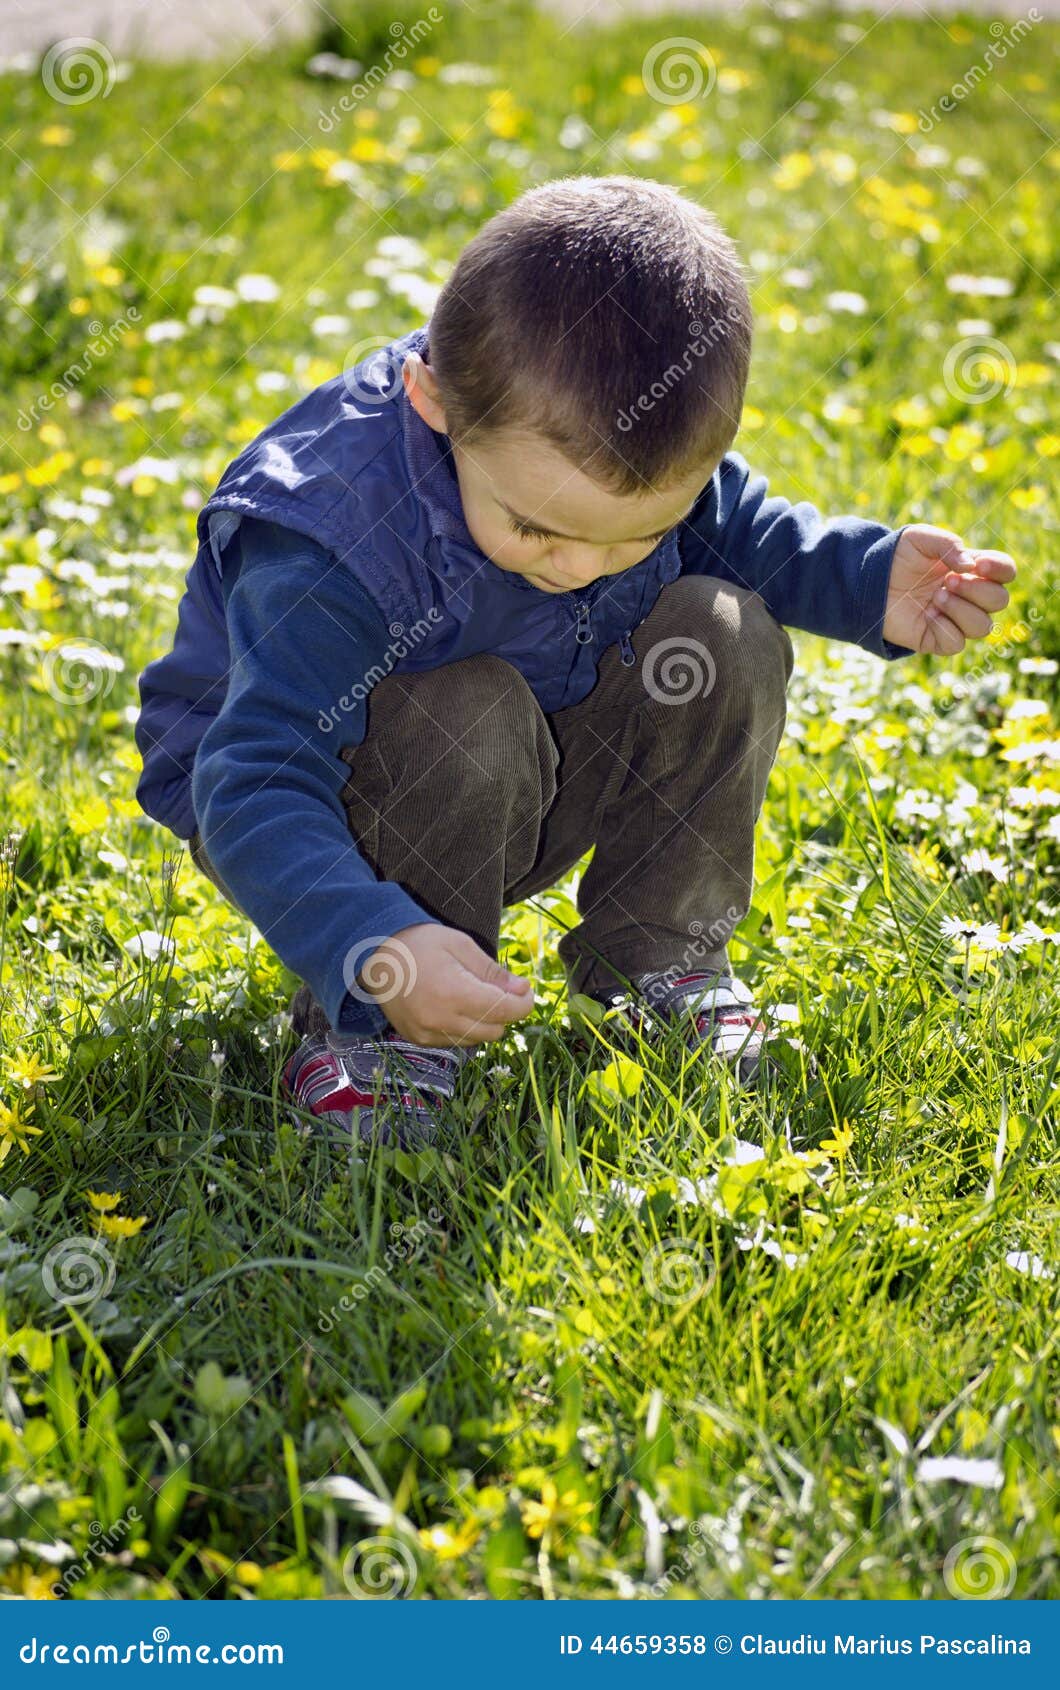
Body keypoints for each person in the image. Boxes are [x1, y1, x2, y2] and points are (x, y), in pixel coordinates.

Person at [133, 175, 1016, 1144]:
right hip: (320, 811)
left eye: (637, 533)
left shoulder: (615, 458)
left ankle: (658, 961)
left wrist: (862, 581)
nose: (582, 565)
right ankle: (379, 1025)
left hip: (528, 760)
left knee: (719, 626)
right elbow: (254, 775)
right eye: (538, 528)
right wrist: (366, 943)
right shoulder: (329, 538)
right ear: (434, 400)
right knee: (467, 708)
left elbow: (750, 535)